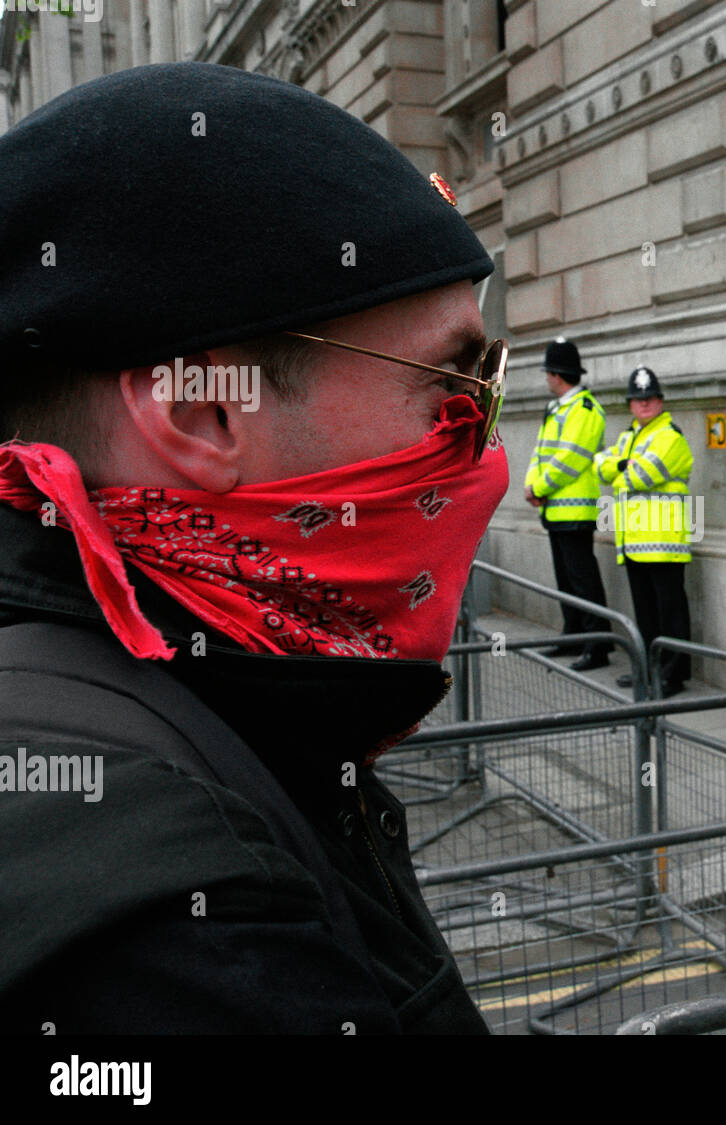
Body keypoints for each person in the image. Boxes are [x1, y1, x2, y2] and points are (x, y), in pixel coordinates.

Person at [0, 63, 509, 1033]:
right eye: (452, 387)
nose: (487, 460)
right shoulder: (171, 918)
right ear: (205, 412)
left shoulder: (205, 696)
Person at [594, 366, 694, 697]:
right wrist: (623, 465)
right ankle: (650, 669)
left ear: (661, 401)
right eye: (638, 399)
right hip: (635, 540)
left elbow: (639, 475)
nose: (645, 404)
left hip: (664, 541)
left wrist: (621, 465)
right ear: (630, 404)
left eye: (650, 398)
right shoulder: (629, 436)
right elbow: (601, 467)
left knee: (670, 613)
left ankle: (674, 674)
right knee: (646, 613)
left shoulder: (670, 436)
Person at [523, 337, 612, 670]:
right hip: (555, 508)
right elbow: (541, 451)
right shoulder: (557, 408)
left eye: (548, 373)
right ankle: (573, 635)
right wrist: (531, 485)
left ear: (557, 375)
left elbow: (569, 459)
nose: (546, 378)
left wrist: (540, 487)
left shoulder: (585, 410)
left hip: (575, 509)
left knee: (582, 579)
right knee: (566, 578)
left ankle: (598, 645)